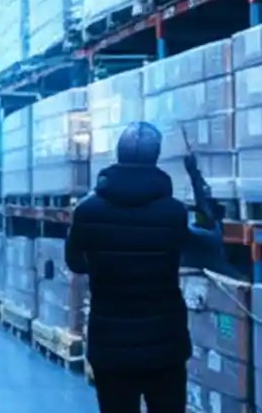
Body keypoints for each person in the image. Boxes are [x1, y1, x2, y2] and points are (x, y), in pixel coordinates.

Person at [64, 121, 227, 413]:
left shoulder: (87, 212)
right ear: (156, 157)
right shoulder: (173, 213)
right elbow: (210, 247)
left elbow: (75, 262)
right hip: (164, 345)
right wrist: (200, 188)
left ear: (118, 154)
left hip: (110, 346)